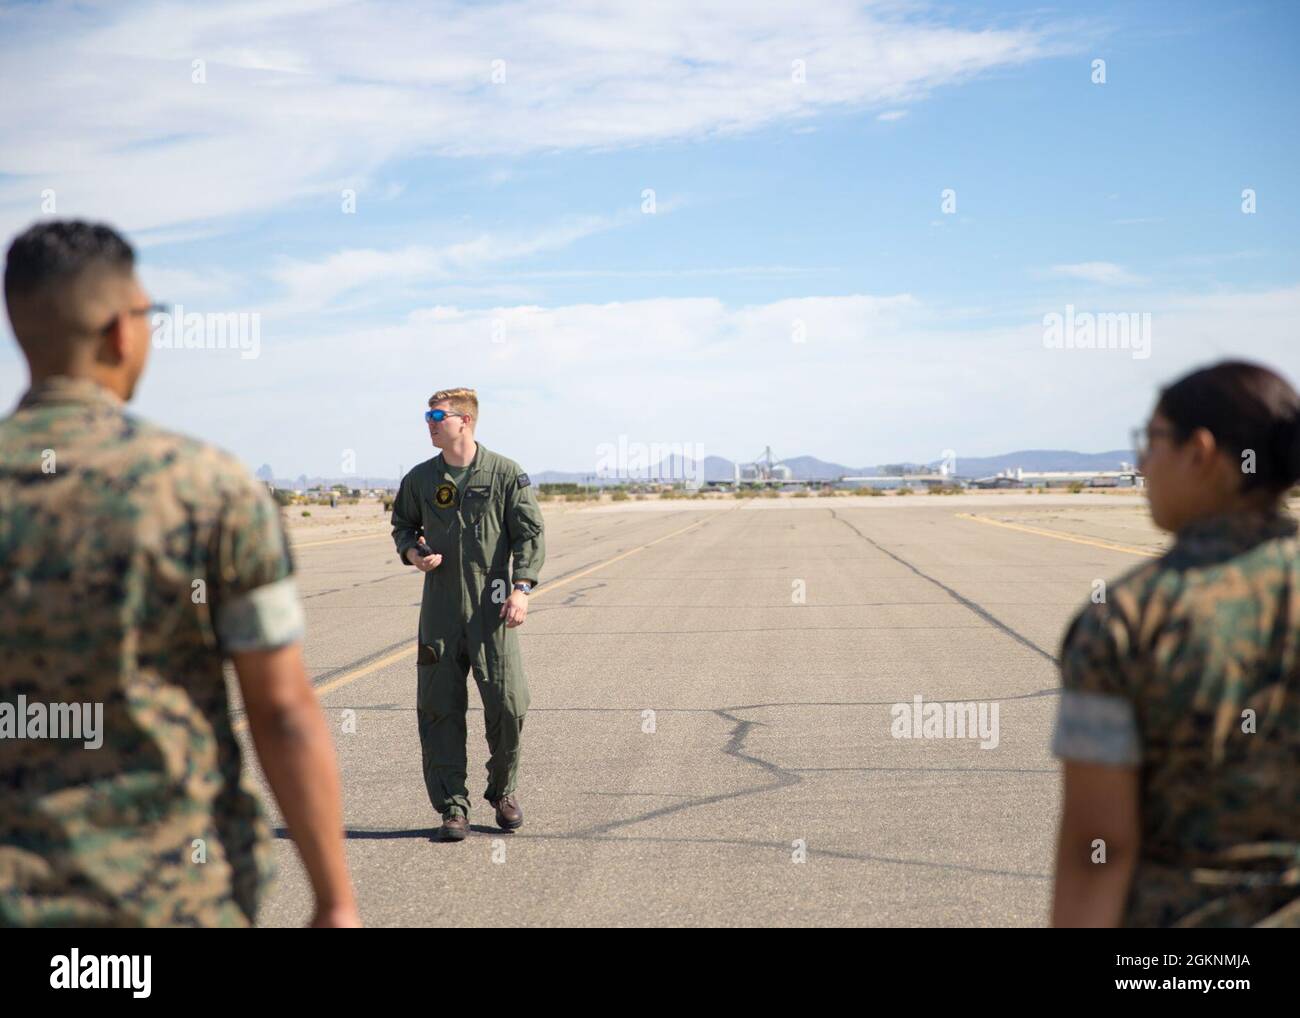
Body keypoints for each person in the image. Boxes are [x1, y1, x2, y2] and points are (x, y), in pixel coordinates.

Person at [0, 220, 358, 927]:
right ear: (119, 332)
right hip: (171, 898)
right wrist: (335, 899)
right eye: (148, 314)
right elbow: (282, 710)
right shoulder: (206, 488)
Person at [1051, 360, 1300, 927]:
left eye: (1153, 440)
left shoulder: (1128, 619)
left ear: (1200, 452)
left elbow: (1099, 847)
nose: (1142, 463)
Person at [390, 387, 545, 841]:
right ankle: (453, 807)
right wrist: (414, 553)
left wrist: (522, 588)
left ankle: (502, 791)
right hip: (440, 611)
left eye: (438, 416)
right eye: (427, 416)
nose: (430, 424)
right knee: (439, 708)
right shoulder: (420, 479)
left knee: (509, 704)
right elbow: (403, 526)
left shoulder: (504, 473)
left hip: (491, 609)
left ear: (465, 421)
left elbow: (529, 534)